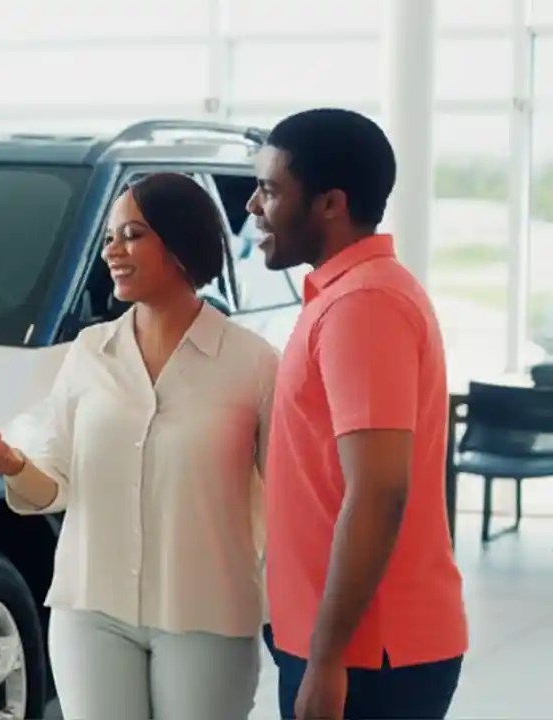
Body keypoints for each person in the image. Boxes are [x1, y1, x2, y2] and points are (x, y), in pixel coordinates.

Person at [0, 172, 280, 720]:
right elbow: (58, 480)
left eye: (132, 235)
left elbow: (288, 501)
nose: (111, 251)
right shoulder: (92, 351)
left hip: (206, 614)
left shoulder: (253, 363)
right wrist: (16, 466)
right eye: (110, 237)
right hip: (90, 608)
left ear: (181, 243)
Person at [248, 108, 468, 720]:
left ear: (329, 204)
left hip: (368, 653)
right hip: (348, 644)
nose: (252, 207)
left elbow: (378, 490)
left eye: (269, 190)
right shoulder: (345, 294)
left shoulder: (363, 304)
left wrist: (325, 659)